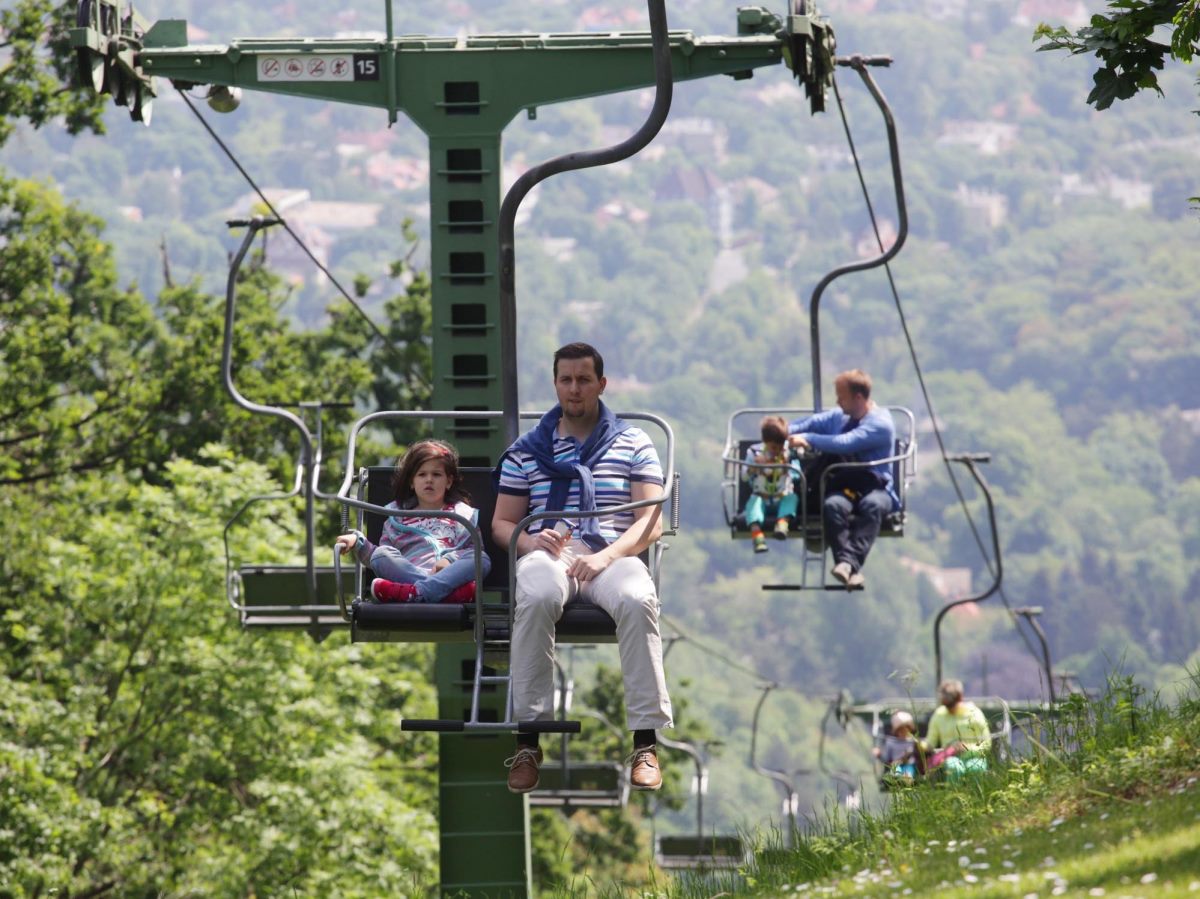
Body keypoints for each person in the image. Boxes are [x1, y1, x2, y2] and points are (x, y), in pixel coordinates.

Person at [492, 342, 673, 794]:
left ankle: (645, 743)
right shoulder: (528, 450)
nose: (574, 389)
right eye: (566, 380)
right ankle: (529, 740)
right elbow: (501, 522)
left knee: (636, 598)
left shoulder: (633, 442)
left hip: (610, 552)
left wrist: (607, 556)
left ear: (601, 384)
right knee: (534, 595)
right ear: (555, 384)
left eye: (583, 380)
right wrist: (532, 540)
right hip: (550, 551)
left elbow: (650, 521)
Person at [336, 439, 491, 604]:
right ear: (412, 482)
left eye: (436, 474)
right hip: (409, 572)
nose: (429, 480)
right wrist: (357, 542)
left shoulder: (462, 515)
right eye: (422, 474)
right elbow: (384, 555)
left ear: (449, 481)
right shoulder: (397, 517)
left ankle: (417, 593)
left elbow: (473, 549)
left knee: (481, 558)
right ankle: (438, 593)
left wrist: (450, 560)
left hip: (448, 573)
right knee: (381, 555)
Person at [787, 369, 898, 589]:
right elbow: (813, 422)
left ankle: (847, 563)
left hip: (876, 486)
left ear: (858, 398)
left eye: (841, 397)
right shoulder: (842, 416)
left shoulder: (880, 424)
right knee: (832, 505)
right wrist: (783, 433)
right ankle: (849, 568)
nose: (837, 402)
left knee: (872, 506)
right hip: (847, 485)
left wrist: (807, 439)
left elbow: (845, 442)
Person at [742, 415, 800, 554]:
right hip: (762, 497)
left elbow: (798, 475)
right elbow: (744, 477)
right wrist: (755, 466)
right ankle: (757, 536)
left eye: (780, 447)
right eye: (773, 447)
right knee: (753, 504)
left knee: (792, 499)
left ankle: (782, 523)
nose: (776, 451)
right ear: (765, 442)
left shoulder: (788, 453)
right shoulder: (753, 453)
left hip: (782, 497)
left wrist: (788, 464)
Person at [923, 679, 990, 780]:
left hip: (974, 757)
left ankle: (975, 795)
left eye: (951, 704)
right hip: (950, 758)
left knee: (975, 768)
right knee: (953, 767)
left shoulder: (974, 713)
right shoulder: (939, 715)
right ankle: (954, 795)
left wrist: (968, 748)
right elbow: (930, 742)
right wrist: (918, 745)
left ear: (960, 698)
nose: (949, 708)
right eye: (946, 705)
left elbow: (987, 743)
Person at [873, 710, 920, 785]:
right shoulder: (891, 742)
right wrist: (879, 755)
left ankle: (906, 781)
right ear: (897, 731)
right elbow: (886, 759)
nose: (904, 732)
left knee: (908, 775)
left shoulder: (913, 742)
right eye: (901, 729)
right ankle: (897, 780)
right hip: (896, 765)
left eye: (906, 729)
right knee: (895, 773)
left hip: (909, 765)